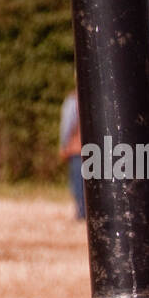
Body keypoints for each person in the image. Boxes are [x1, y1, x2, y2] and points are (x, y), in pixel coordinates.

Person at [59, 90, 84, 220]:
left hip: (77, 149)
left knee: (78, 183)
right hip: (97, 149)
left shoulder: (73, 100)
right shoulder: (100, 96)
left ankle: (81, 214)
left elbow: (67, 125)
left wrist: (64, 145)